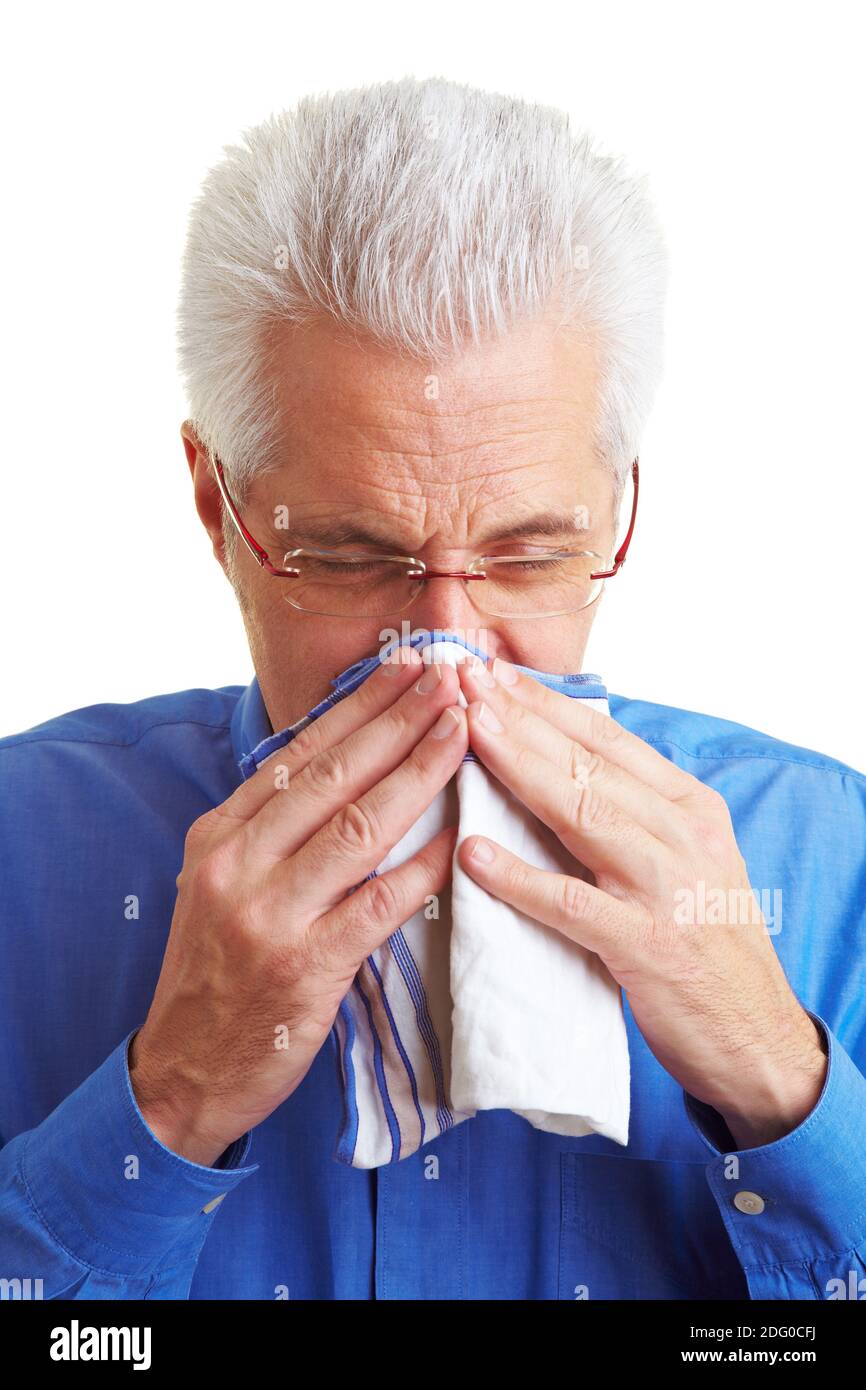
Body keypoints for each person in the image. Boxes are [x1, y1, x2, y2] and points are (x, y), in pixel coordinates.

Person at [1, 76, 864, 1302]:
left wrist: (782, 1080)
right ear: (217, 504)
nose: (444, 651)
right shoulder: (17, 854)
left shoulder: (835, 861)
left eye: (525, 552)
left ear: (613, 506)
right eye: (350, 556)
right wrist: (172, 1098)